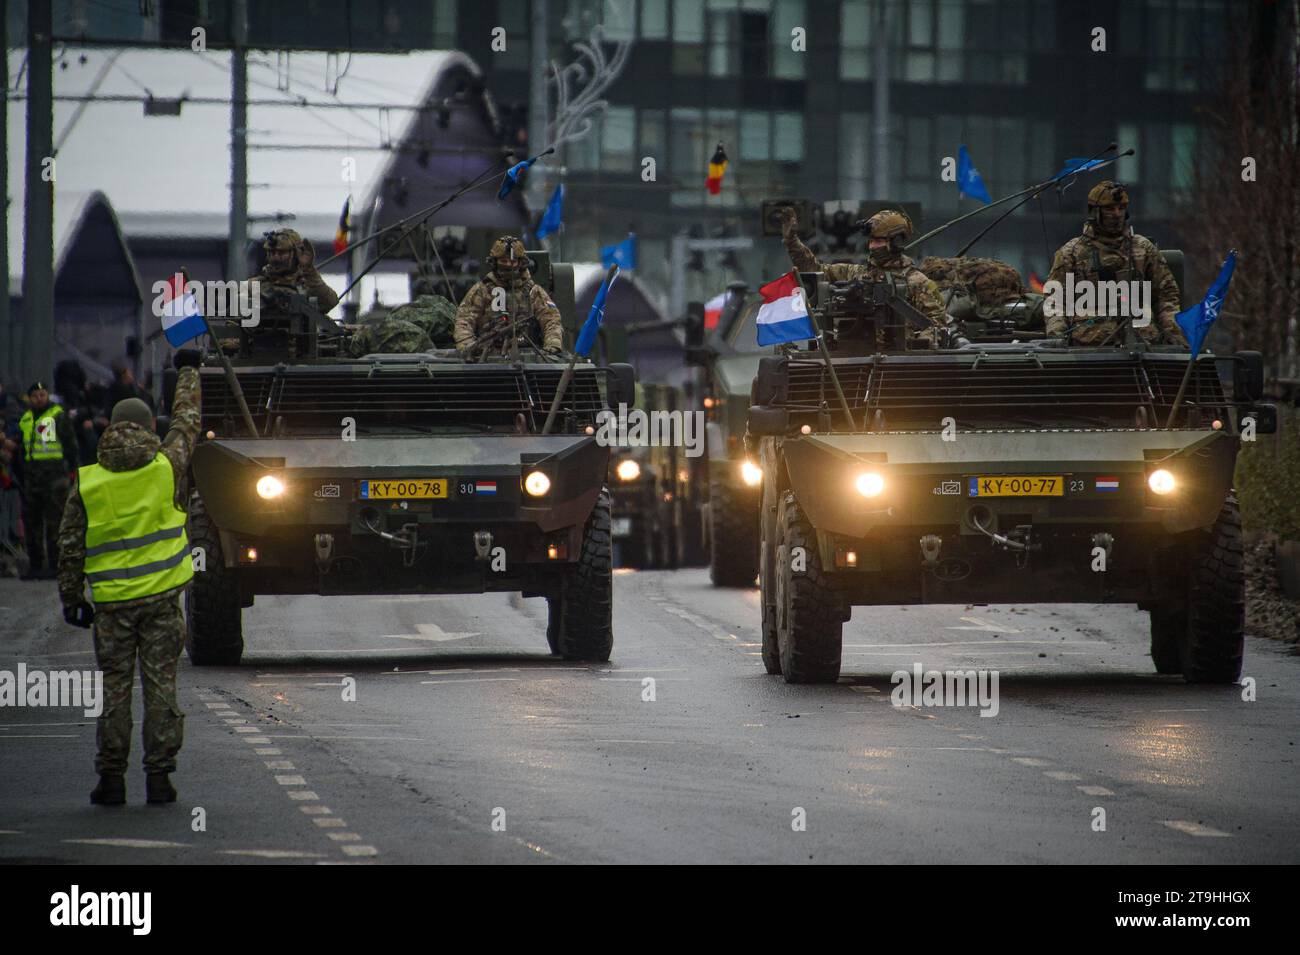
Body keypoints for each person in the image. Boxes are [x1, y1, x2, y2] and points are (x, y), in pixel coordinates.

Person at [56, 350, 202, 806]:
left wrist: (71, 597)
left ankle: (110, 780)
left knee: (115, 690)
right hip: (161, 602)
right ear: (148, 429)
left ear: (110, 427)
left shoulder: (89, 481)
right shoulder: (167, 465)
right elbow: (188, 421)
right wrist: (189, 369)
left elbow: (70, 544)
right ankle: (160, 778)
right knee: (161, 688)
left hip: (111, 607)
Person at [777, 207, 950, 345]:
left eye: (879, 241)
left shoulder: (918, 283)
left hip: (897, 362)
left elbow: (937, 326)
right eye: (871, 241)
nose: (872, 246)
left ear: (896, 243)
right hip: (853, 355)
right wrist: (792, 242)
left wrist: (917, 346)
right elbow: (815, 269)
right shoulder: (856, 274)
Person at [1045, 180, 1184, 345]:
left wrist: (1176, 338)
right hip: (1090, 349)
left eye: (1121, 208)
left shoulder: (1143, 248)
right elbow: (1055, 300)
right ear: (1095, 212)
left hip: (1143, 345)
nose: (1117, 214)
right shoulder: (1071, 253)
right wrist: (1057, 337)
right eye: (1109, 209)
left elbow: (1166, 296)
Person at [454, 236, 563, 355]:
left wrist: (552, 344)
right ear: (495, 262)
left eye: (512, 262)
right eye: (503, 261)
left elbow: (551, 320)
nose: (508, 265)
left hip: (527, 353)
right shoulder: (482, 290)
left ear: (520, 263)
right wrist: (467, 345)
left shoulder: (533, 291)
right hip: (488, 354)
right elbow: (464, 320)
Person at [17, 382, 79, 579]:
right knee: (31, 523)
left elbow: (70, 444)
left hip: (54, 478)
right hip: (31, 478)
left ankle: (55, 565)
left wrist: (72, 471)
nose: (39, 399)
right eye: (35, 395)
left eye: (42, 395)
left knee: (55, 523)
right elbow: (22, 448)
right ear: (29, 398)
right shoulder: (26, 419)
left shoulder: (57, 416)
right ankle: (36, 565)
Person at [255, 228, 341, 314]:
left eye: (282, 253)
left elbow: (330, 302)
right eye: (272, 253)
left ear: (296, 254)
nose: (276, 257)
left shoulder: (308, 284)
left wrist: (309, 269)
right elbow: (244, 322)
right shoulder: (253, 286)